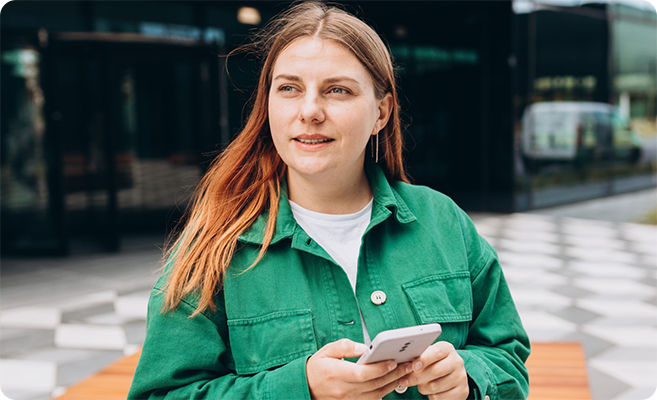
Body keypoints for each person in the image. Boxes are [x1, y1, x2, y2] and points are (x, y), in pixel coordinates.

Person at [128, 2, 530, 399]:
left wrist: (470, 378)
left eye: (337, 90)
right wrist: (300, 389)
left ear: (381, 112)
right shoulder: (216, 245)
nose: (309, 111)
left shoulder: (443, 222)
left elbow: (507, 356)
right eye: (289, 88)